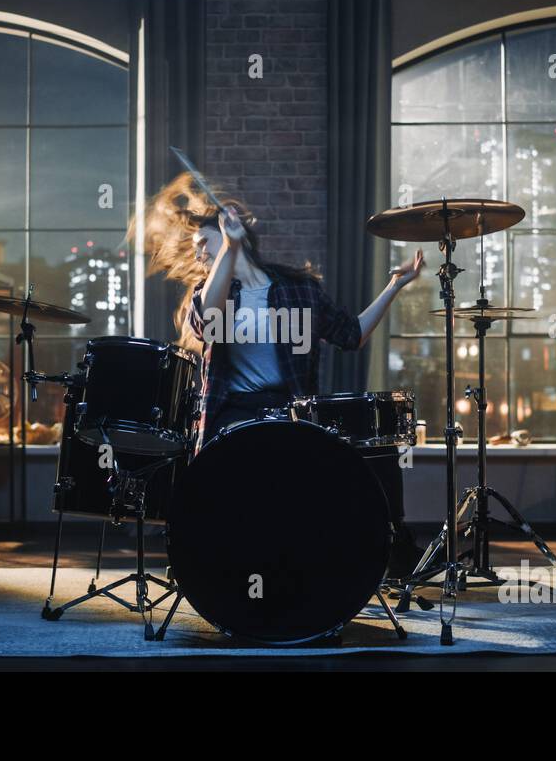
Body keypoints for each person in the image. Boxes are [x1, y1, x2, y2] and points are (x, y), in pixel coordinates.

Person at [142, 172, 426, 576]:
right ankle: (225, 563)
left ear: (226, 236)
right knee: (241, 479)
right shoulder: (208, 291)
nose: (199, 253)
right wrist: (230, 247)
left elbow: (352, 334)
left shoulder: (298, 290)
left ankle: (351, 558)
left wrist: (394, 286)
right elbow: (208, 318)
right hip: (234, 412)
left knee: (339, 467)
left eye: (204, 243)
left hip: (289, 409)